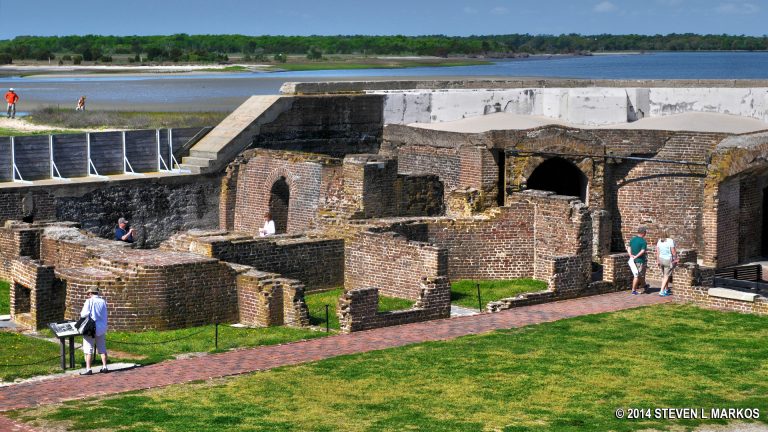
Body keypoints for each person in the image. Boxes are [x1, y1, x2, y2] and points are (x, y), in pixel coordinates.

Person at [79, 287, 108, 375]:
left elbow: (83, 314)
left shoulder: (89, 301)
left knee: (88, 349)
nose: (88, 295)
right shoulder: (103, 301)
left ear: (91, 293)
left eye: (88, 294)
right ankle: (104, 367)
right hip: (101, 327)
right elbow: (105, 314)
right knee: (102, 348)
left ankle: (88, 369)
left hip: (90, 327)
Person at [656, 231, 678, 297]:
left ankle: (666, 289)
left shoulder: (659, 241)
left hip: (661, 259)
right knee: (666, 276)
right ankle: (661, 291)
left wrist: (658, 260)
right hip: (667, 259)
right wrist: (676, 258)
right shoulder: (670, 240)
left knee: (665, 275)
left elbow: (657, 252)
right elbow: (673, 251)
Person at [628, 226, 648, 295]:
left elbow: (629, 247)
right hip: (639, 261)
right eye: (645, 232)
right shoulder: (643, 241)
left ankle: (644, 285)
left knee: (639, 275)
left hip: (632, 260)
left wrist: (630, 255)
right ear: (643, 233)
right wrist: (636, 256)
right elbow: (642, 251)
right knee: (637, 275)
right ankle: (634, 290)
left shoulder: (633, 239)